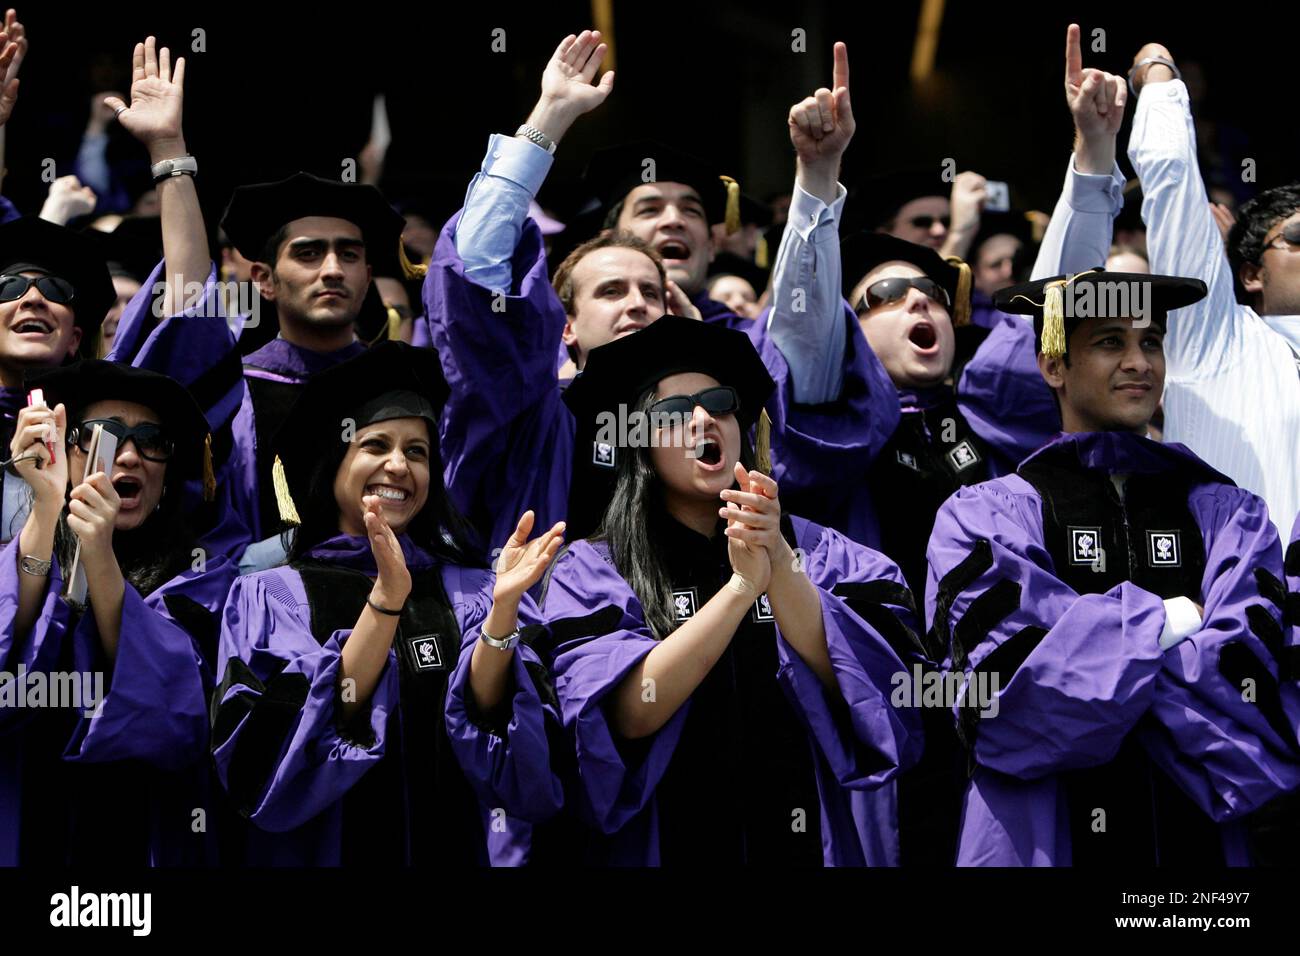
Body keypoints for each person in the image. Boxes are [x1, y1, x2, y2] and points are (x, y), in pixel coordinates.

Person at [429, 32, 872, 554]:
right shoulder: (530, 411)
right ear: (564, 325)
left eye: (650, 291)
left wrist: (817, 175)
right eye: (611, 290)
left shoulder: (721, 413)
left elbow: (806, 342)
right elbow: (474, 277)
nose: (637, 303)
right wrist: (547, 118)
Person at [925, 268, 1300, 865]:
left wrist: (1091, 651)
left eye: (1150, 341)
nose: (1139, 362)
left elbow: (1245, 697)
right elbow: (1011, 701)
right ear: (1054, 366)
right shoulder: (985, 517)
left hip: (1195, 841)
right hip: (1042, 835)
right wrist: (1169, 622)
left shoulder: (1227, 512)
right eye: (1109, 342)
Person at [541, 316, 923, 865]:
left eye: (719, 402)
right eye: (672, 412)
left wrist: (781, 568)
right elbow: (628, 713)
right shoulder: (598, 567)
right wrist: (742, 588)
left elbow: (874, 692)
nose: (702, 420)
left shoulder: (818, 553)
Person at [210, 342, 559, 865]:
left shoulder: (470, 589)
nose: (398, 465)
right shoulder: (273, 593)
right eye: (375, 445)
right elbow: (268, 762)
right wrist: (386, 602)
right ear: (334, 462)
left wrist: (503, 611)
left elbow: (505, 747)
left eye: (417, 451)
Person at [102, 37, 419, 559]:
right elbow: (188, 309)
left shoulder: (408, 384)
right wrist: (169, 154)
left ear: (369, 276)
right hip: (264, 618)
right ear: (263, 280)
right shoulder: (238, 393)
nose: (333, 269)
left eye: (349, 254)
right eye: (310, 253)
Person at [0, 360, 235, 865]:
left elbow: (174, 713)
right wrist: (45, 506)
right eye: (103, 435)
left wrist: (99, 555)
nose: (129, 455)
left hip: (140, 835)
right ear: (63, 449)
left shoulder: (204, 578)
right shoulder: (23, 554)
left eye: (152, 441)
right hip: (26, 823)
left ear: (169, 474)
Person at [1121, 37, 1300, 531]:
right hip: (1250, 605)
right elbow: (1173, 181)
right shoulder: (1220, 338)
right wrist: (1157, 76)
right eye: (1299, 236)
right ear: (1250, 273)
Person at [0, 217, 114, 545]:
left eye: (55, 290)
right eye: (9, 286)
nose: (33, 299)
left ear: (74, 339)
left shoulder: (101, 435)